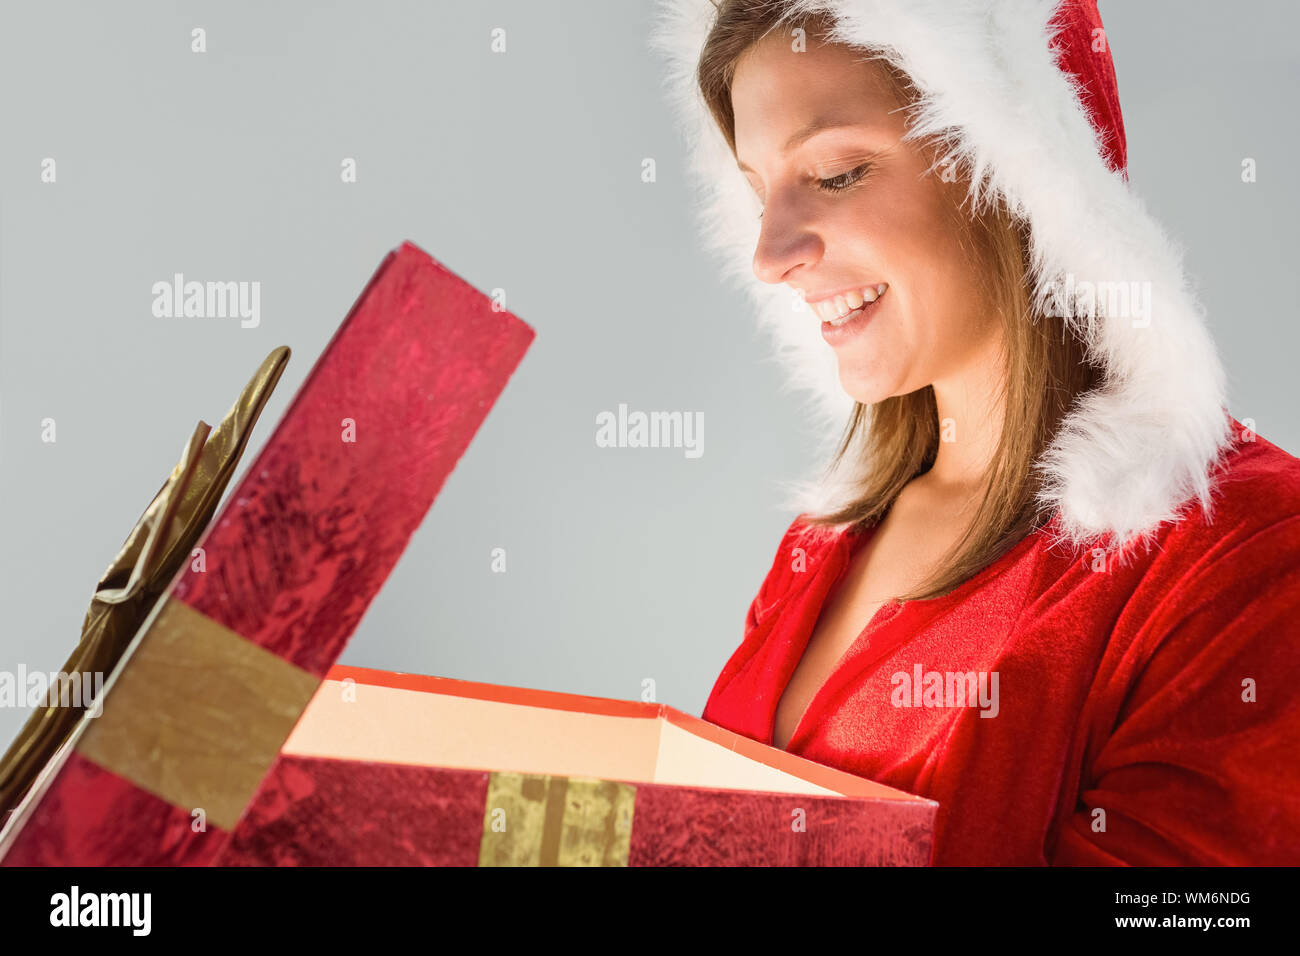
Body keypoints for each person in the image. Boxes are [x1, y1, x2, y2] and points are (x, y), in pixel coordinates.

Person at [652, 0, 1300, 864]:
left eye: (839, 172)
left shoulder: (1248, 559)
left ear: (1020, 174)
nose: (770, 254)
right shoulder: (817, 551)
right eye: (758, 190)